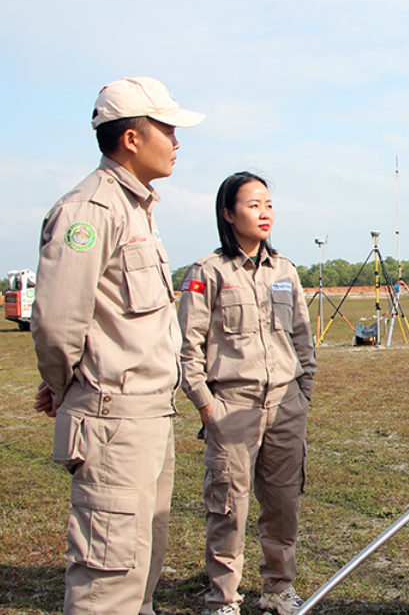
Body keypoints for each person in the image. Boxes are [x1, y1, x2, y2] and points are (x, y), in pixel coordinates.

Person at [31, 76, 204, 614]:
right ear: (131, 138)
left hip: (150, 416)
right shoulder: (91, 210)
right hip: (114, 419)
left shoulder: (137, 209)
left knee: (139, 569)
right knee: (108, 580)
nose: (177, 141)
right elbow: (58, 321)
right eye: (167, 128)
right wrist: (69, 388)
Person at [177, 171, 317, 615]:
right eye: (253, 204)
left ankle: (277, 588)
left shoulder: (285, 270)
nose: (264, 213)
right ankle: (223, 596)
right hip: (231, 406)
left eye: (269, 204)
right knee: (228, 506)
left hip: (285, 404)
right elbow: (187, 347)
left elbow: (302, 340)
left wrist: (302, 394)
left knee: (283, 504)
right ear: (227, 213)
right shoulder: (208, 271)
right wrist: (207, 407)